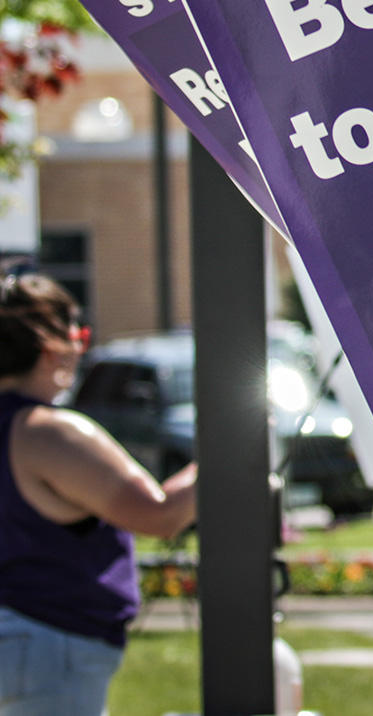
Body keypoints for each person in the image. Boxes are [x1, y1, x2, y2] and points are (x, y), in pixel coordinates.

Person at [0, 274, 197, 716]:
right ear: (53, 345)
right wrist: (228, 454)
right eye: (80, 336)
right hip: (47, 639)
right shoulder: (46, 432)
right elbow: (158, 515)